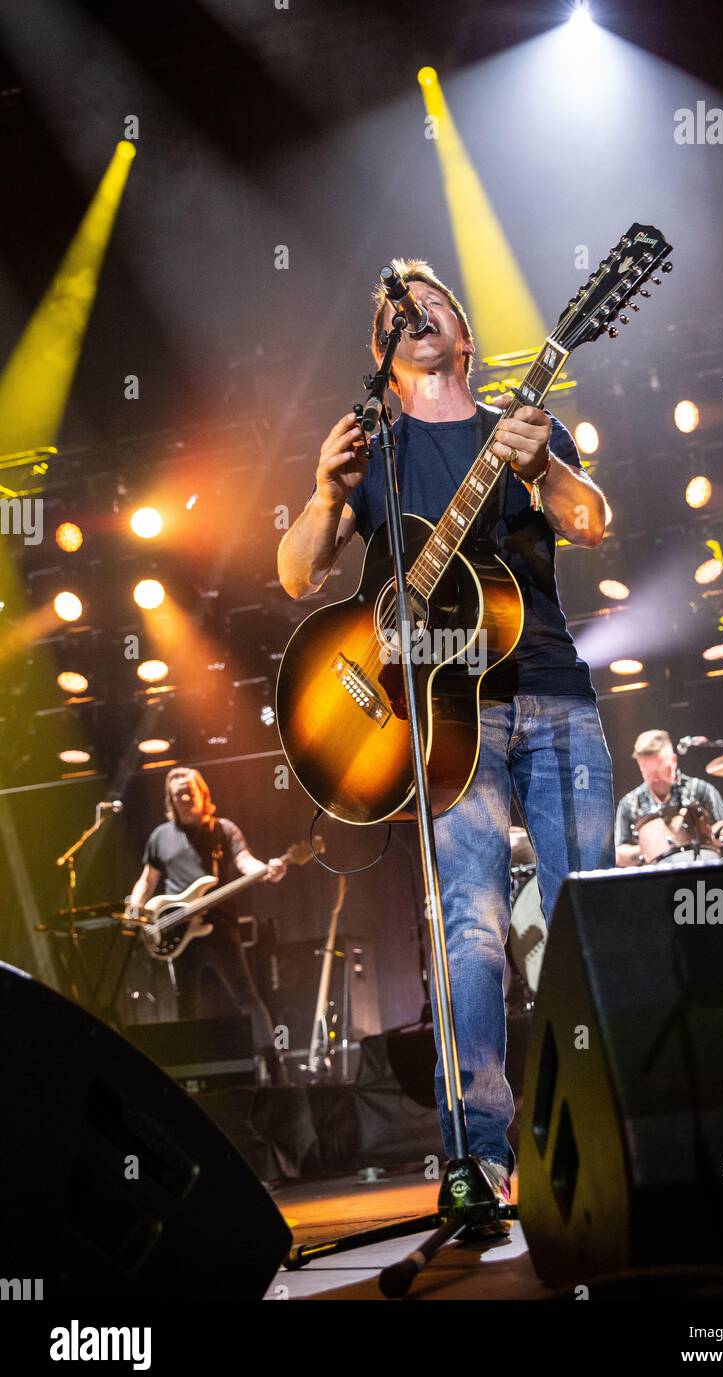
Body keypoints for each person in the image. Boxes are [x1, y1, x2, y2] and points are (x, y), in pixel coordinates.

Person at [277, 258, 614, 1227]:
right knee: (468, 936)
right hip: (443, 728)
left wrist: (541, 465)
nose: (415, 310)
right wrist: (317, 490)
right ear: (380, 352)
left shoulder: (516, 428)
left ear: (461, 334)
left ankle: (603, 1118)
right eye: (396, 308)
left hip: (550, 696)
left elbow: (592, 523)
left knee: (584, 921)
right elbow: (300, 576)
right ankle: (476, 1158)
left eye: (432, 302)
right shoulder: (373, 455)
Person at [126, 766, 288, 1082]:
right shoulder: (161, 836)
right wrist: (135, 904)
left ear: (203, 793)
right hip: (176, 929)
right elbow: (148, 881)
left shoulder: (223, 829)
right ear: (170, 800)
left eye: (189, 792)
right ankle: (192, 1075)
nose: (185, 798)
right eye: (178, 794)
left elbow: (245, 862)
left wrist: (266, 870)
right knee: (186, 1002)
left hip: (220, 926)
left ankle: (273, 1065)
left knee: (245, 995)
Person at [615, 729, 723, 867]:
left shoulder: (701, 790)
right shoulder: (629, 803)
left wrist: (713, 835)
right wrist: (648, 848)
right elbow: (619, 856)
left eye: (660, 769)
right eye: (646, 771)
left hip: (704, 873)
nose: (655, 778)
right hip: (654, 882)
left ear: (674, 761)